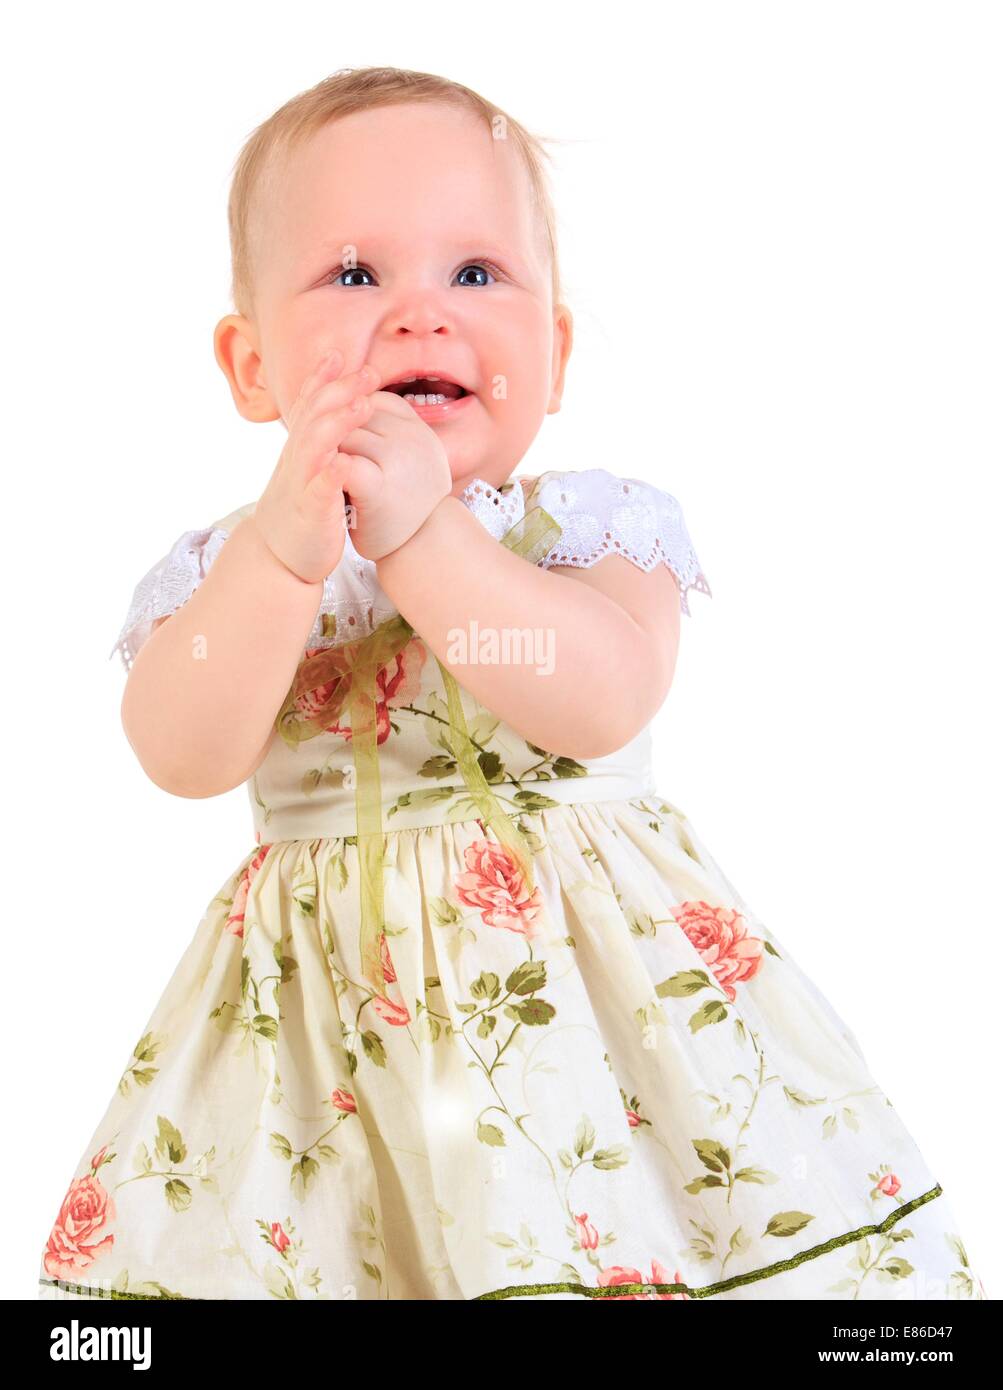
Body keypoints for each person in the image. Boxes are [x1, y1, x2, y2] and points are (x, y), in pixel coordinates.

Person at [37, 65, 986, 1302]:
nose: (422, 316)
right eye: (355, 273)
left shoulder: (591, 529)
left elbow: (598, 697)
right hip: (329, 1044)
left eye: (475, 275)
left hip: (587, 1037)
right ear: (253, 365)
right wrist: (279, 558)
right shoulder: (241, 563)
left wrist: (426, 537)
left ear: (555, 347)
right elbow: (179, 749)